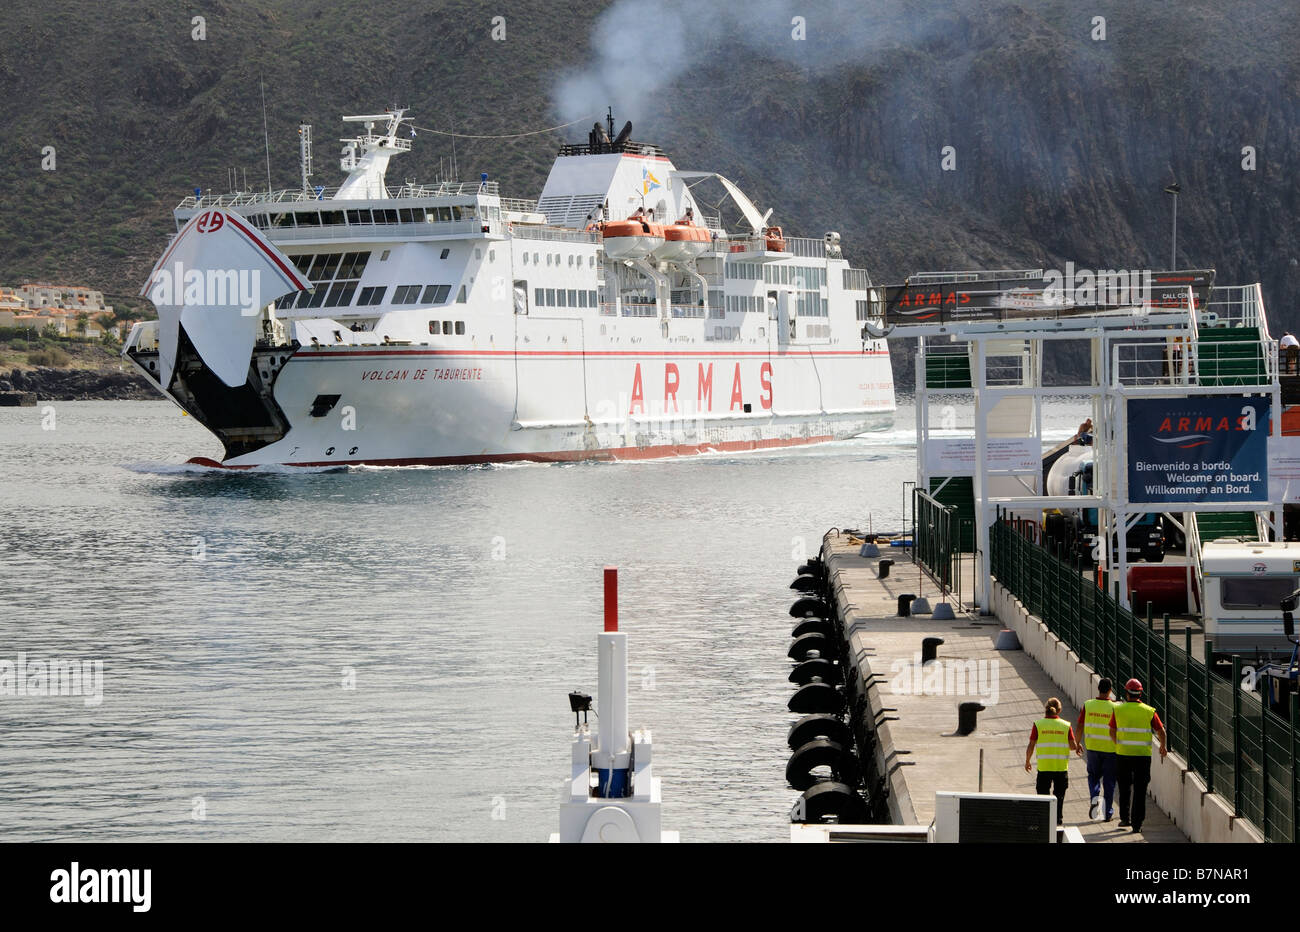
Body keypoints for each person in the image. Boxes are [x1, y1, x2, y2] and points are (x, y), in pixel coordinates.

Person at [1109, 678, 1168, 833]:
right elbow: (1161, 731)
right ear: (1140, 693)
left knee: (1124, 787)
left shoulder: (1118, 710)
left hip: (1123, 755)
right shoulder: (1149, 711)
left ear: (1126, 692)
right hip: (1142, 756)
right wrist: (1162, 746)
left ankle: (1124, 819)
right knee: (1140, 790)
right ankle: (1137, 825)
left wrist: (1118, 744)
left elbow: (1112, 730)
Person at [1025, 697, 1082, 824]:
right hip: (1060, 768)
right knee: (1059, 796)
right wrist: (1078, 746)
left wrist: (1027, 761)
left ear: (1046, 709)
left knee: (1043, 796)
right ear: (1059, 710)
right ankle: (1057, 821)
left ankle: (1044, 820)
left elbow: (1031, 745)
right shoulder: (1066, 725)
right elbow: (1072, 746)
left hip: (1044, 768)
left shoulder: (1038, 724)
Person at [1076, 677, 1120, 821]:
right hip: (1111, 750)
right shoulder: (1116, 707)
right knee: (1109, 781)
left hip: (1093, 748)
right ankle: (1107, 813)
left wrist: (1077, 743)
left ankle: (1095, 802)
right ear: (1110, 690)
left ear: (1098, 688)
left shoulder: (1088, 705)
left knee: (1093, 778)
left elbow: (1080, 725)